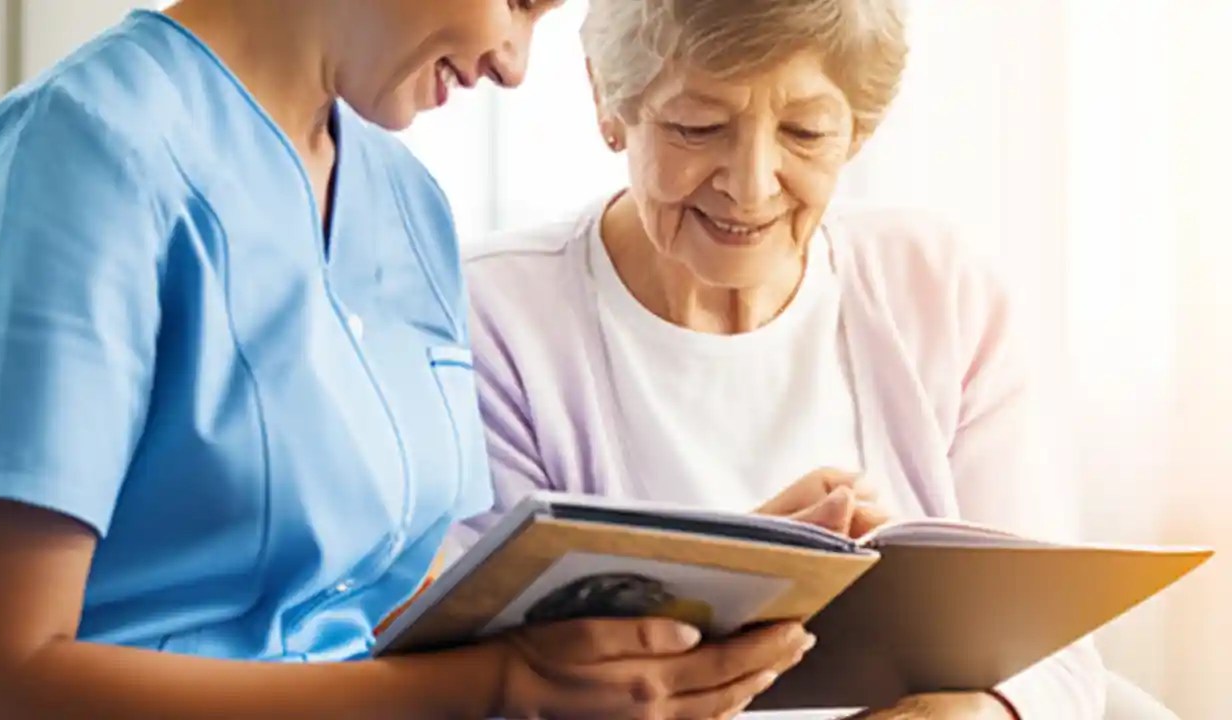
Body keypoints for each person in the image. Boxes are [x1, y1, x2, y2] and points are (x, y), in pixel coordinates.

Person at [0, 1, 815, 718]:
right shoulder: (85, 154)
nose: (512, 65)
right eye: (516, 3)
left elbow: (389, 594)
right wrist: (489, 686)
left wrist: (677, 602)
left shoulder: (404, 200)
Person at [456, 0, 1108, 717]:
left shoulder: (938, 288)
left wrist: (975, 711)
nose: (751, 183)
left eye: (805, 132)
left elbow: (1058, 659)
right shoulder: (493, 316)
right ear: (610, 103)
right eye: (697, 128)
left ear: (857, 131)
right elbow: (475, 680)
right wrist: (738, 583)